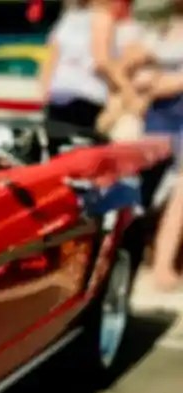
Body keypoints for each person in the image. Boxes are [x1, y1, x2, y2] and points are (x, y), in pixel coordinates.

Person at [115, 0, 183, 289]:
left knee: (179, 197)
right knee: (141, 194)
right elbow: (127, 66)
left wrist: (156, 81)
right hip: (157, 122)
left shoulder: (161, 33)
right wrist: (138, 89)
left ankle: (162, 265)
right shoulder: (159, 31)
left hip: (172, 119)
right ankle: (135, 256)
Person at [40, 0, 116, 131]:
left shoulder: (65, 20)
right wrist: (124, 88)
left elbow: (49, 61)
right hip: (87, 95)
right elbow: (100, 62)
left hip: (58, 94)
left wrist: (44, 93)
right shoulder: (101, 18)